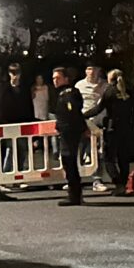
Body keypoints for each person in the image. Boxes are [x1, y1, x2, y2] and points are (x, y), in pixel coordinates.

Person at [84, 69, 134, 195]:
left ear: (111, 80)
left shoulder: (110, 92)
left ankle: (118, 182)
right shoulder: (130, 91)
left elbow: (99, 108)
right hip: (128, 129)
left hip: (113, 129)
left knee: (108, 158)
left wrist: (83, 115)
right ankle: (123, 185)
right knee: (123, 159)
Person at [53, 67, 87, 206]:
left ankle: (74, 195)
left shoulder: (67, 93)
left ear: (66, 79)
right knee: (68, 161)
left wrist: (67, 127)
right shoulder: (65, 93)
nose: (55, 80)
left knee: (69, 161)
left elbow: (72, 112)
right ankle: (74, 194)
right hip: (69, 130)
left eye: (58, 78)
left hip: (69, 132)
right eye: (54, 78)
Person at [76, 65, 108, 193]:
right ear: (85, 71)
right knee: (79, 152)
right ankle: (74, 179)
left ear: (99, 71)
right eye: (89, 69)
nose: (92, 72)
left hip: (98, 124)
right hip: (83, 122)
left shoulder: (105, 86)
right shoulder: (79, 85)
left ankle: (97, 180)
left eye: (95, 69)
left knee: (98, 153)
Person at [0, 62, 35, 173]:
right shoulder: (3, 89)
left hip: (23, 123)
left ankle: (19, 173)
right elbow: (0, 106)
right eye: (13, 72)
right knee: (10, 150)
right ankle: (6, 173)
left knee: (23, 150)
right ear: (9, 73)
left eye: (17, 72)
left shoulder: (25, 89)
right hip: (9, 125)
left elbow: (29, 106)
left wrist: (31, 123)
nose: (15, 75)